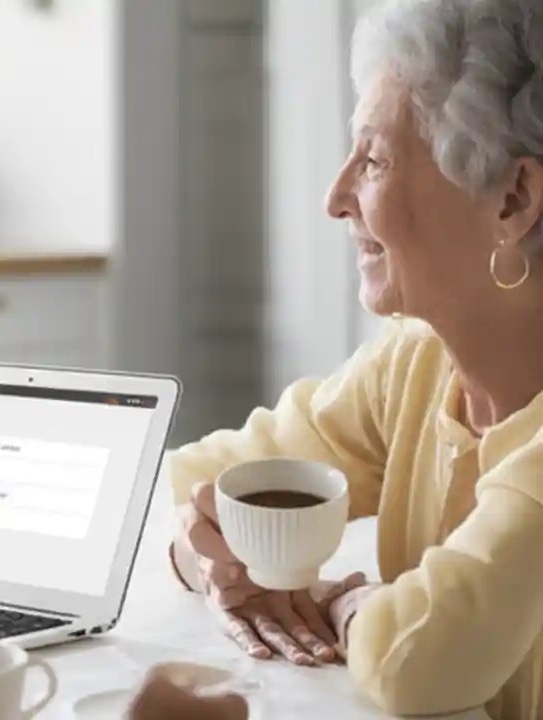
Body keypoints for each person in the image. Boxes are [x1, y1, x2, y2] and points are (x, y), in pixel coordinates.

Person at [170, 0, 543, 717]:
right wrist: (207, 558)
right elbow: (193, 481)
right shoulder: (416, 367)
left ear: (513, 198)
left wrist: (350, 604)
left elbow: (425, 659)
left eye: (372, 159)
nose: (336, 198)